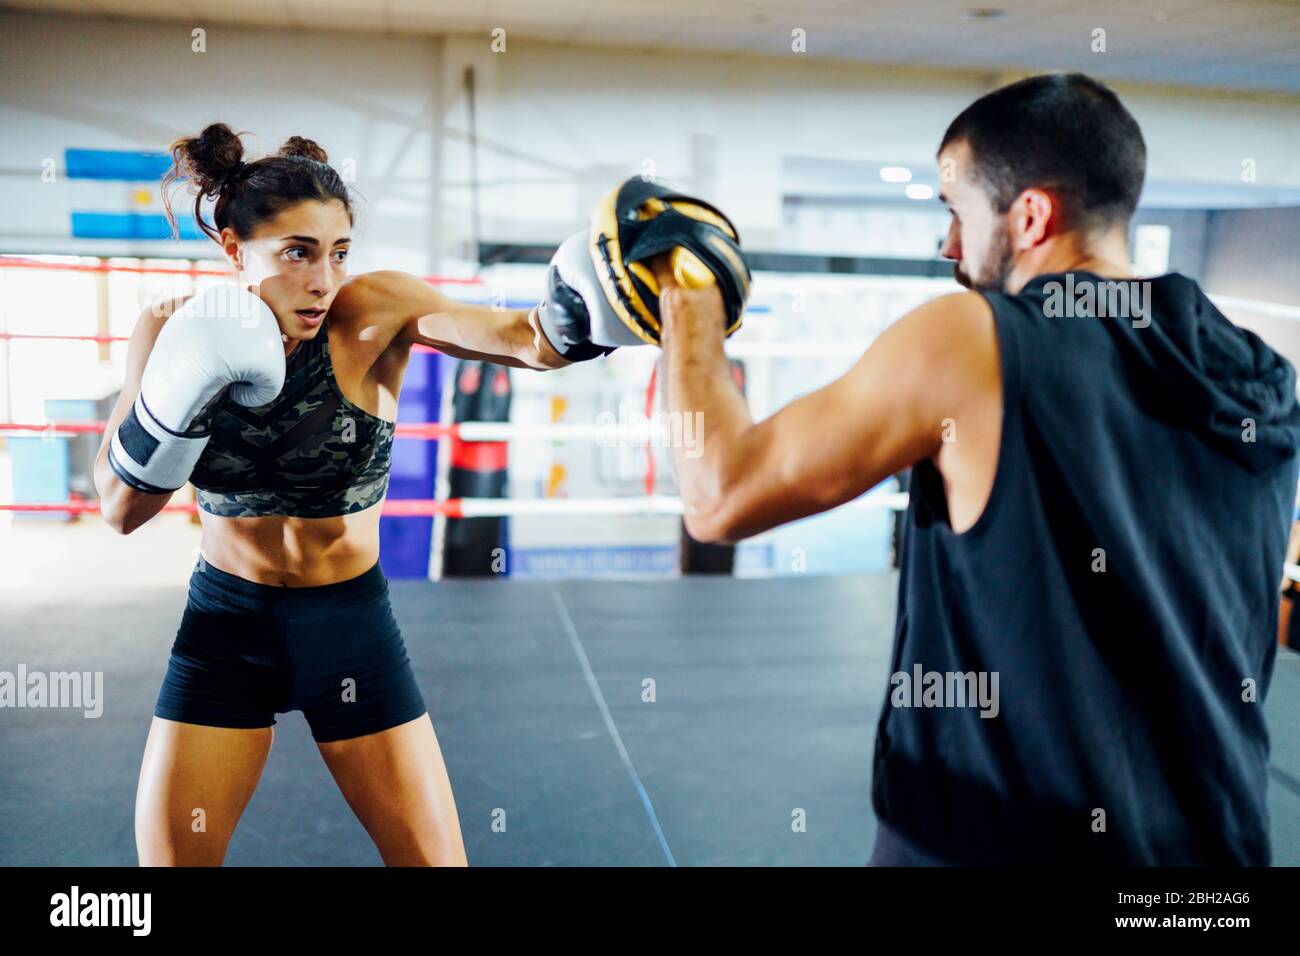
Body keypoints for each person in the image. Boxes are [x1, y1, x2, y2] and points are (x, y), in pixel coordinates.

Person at [565, 73, 1300, 864]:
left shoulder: (972, 338)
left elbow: (719, 496)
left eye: (955, 214)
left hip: (996, 841)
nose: (947, 245)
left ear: (1030, 215)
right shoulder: (1258, 370)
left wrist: (687, 297)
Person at [95, 123, 599, 866]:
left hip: (349, 627)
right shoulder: (171, 327)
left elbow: (525, 340)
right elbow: (119, 508)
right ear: (235, 248)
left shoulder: (375, 309)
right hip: (225, 629)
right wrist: (179, 401)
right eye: (296, 253)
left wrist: (601, 306)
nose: (322, 280)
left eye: (337, 252)